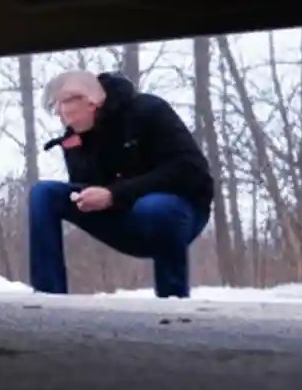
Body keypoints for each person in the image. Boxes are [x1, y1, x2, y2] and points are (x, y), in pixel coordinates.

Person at [29, 70, 214, 298]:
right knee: (43, 194)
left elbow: (189, 170)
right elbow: (91, 187)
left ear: (91, 102)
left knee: (155, 207)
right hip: (121, 214)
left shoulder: (148, 110)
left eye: (65, 108)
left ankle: (172, 298)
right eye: (57, 112)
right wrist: (87, 190)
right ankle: (49, 297)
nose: (62, 117)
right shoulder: (75, 138)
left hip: (178, 213)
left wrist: (113, 194)